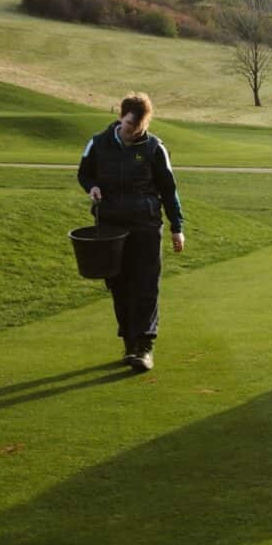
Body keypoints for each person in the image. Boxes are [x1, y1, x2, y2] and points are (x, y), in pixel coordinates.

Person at [77, 92, 185, 372]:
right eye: (127, 126)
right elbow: (84, 173)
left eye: (137, 129)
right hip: (111, 225)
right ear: (119, 118)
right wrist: (92, 187)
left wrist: (177, 227)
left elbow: (169, 189)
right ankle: (129, 343)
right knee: (119, 285)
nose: (131, 132)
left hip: (146, 225)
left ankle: (145, 347)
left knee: (146, 284)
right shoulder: (99, 143)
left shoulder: (154, 148)